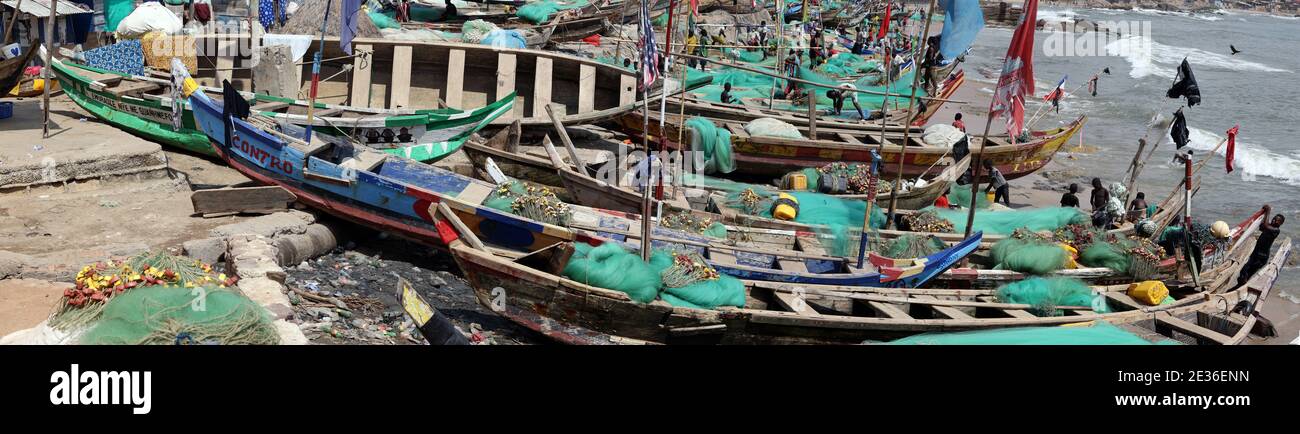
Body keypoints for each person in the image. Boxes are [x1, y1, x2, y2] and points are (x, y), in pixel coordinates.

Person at [1237, 205, 1284, 288]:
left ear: (1280, 223)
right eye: (1273, 218)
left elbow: (1265, 226)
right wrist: (1263, 214)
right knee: (1243, 272)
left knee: (1247, 272)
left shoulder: (1276, 231)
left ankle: (1241, 287)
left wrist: (1268, 211)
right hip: (1256, 254)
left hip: (1261, 257)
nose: (1273, 220)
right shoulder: (1269, 227)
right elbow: (1262, 226)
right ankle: (1240, 286)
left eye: (1276, 220)